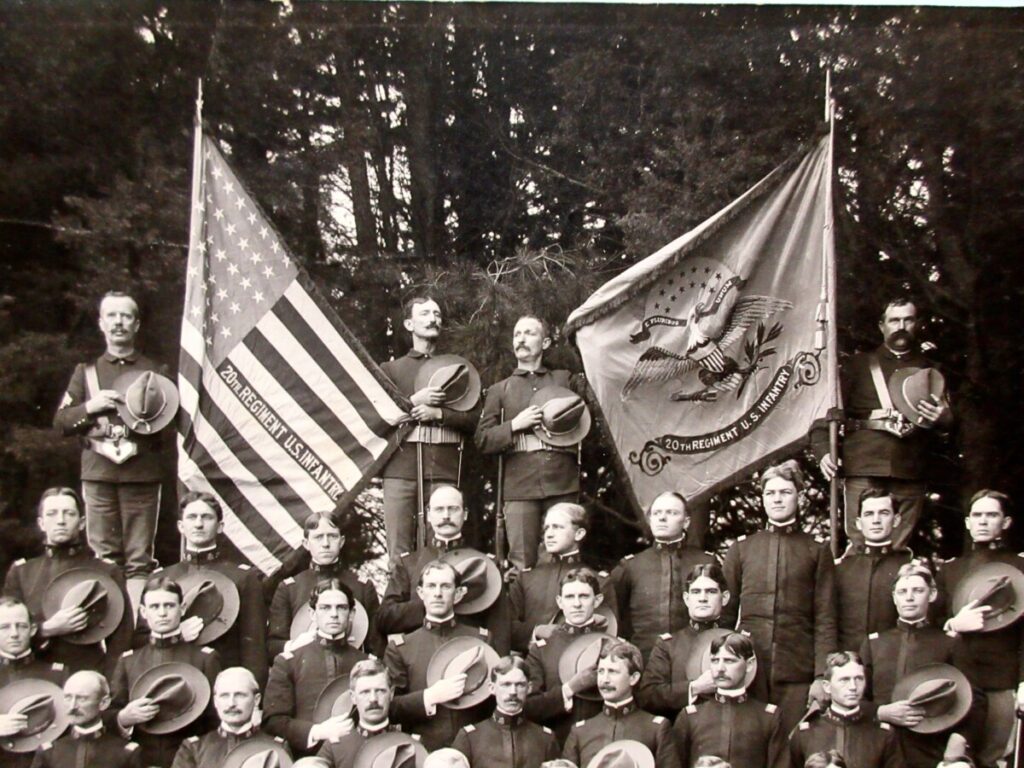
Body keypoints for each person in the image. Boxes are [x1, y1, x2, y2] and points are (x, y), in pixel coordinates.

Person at [812, 296, 953, 549]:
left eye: (907, 320)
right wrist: (823, 451)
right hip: (864, 465)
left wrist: (944, 419)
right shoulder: (856, 366)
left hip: (909, 471)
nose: (901, 326)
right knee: (859, 546)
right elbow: (825, 415)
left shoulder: (932, 370)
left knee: (897, 552)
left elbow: (951, 423)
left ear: (917, 324)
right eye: (894, 320)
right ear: (882, 325)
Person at [54, 291, 170, 579]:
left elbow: (170, 426)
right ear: (101, 323)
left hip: (142, 473)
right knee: (102, 557)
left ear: (137, 324)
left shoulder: (155, 371)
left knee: (140, 559)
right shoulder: (86, 373)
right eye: (112, 316)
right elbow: (61, 422)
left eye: (126, 316)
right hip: (98, 474)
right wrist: (90, 407)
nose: (119, 322)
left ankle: (137, 624)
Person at [722, 460, 838, 734]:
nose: (777, 499)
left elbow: (826, 617)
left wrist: (822, 676)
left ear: (798, 495)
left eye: (785, 492)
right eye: (770, 493)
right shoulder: (741, 550)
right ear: (762, 498)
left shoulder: (816, 551)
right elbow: (725, 617)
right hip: (749, 671)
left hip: (797, 672)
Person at [475, 315, 586, 570]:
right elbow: (483, 439)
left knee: (563, 557)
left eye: (529, 333)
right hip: (519, 486)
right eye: (517, 334)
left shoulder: (564, 380)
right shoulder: (499, 390)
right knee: (521, 564)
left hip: (561, 481)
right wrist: (515, 425)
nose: (521, 339)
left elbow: (592, 398)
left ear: (546, 342)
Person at [379, 296, 479, 560]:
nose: (433, 318)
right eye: (424, 314)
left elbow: (475, 420)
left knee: (442, 546)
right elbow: (376, 419)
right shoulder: (390, 369)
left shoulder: (458, 370)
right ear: (409, 324)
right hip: (400, 468)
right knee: (398, 552)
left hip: (443, 466)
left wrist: (439, 413)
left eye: (437, 313)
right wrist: (413, 401)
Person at [860, 562, 984, 768]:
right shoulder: (874, 643)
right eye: (902, 591)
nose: (909, 598)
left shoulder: (949, 642)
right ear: (894, 597)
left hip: (931, 748)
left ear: (932, 594)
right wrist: (880, 712)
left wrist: (957, 744)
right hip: (879, 748)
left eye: (918, 591)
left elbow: (976, 701)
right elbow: (857, 697)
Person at [137, 492, 267, 685]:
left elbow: (253, 647)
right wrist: (176, 634)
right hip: (173, 678)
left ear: (220, 526)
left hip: (225, 683)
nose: (198, 524)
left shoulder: (243, 577)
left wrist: (253, 696)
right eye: (191, 517)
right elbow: (139, 641)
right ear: (181, 526)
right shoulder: (160, 578)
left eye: (206, 517)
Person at [3, 486, 133, 677]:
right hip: (34, 678)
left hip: (87, 675)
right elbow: (7, 632)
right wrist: (47, 629)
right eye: (52, 514)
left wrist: (109, 688)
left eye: (69, 514)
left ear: (81, 523)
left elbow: (121, 641)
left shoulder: (105, 571)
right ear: (41, 523)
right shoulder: (22, 572)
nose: (61, 521)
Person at [937, 490, 1023, 767]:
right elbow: (931, 628)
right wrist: (954, 625)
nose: (983, 521)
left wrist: (1023, 681)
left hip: (1003, 681)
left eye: (992, 515)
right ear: (967, 522)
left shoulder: (1021, 568)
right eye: (977, 515)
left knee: (996, 759)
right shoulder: (950, 571)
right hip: (959, 684)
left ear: (1006, 522)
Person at [378, 485, 511, 654]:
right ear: (428, 515)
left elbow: (500, 628)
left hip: (470, 653)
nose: (446, 516)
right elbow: (385, 618)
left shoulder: (485, 565)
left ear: (465, 514)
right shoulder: (408, 563)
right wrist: (432, 602)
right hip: (419, 656)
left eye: (453, 509)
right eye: (439, 509)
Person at [384, 560, 496, 750]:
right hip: (425, 748)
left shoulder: (481, 639)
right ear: (420, 593)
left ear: (458, 594)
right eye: (431, 586)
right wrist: (429, 697)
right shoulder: (401, 647)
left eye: (445, 586)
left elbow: (493, 700)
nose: (437, 593)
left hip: (476, 748)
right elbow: (390, 707)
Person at [110, 576, 221, 768]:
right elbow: (110, 712)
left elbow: (214, 721)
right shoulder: (128, 661)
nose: (162, 613)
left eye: (169, 606)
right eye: (155, 607)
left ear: (183, 608)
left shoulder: (205, 659)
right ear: (144, 612)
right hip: (141, 759)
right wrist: (124, 718)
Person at [263, 579, 369, 757]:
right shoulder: (288, 662)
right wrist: (317, 732)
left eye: (341, 607)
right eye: (325, 608)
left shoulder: (365, 662)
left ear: (352, 613)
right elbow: (273, 720)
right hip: (305, 756)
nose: (334, 614)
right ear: (312, 614)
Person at [609, 491, 717, 659]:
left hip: (693, 657)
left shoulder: (706, 562)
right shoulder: (631, 566)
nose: (662, 518)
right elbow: (614, 614)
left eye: (671, 513)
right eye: (657, 513)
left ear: (686, 522)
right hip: (642, 658)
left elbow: (723, 613)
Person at [267, 510, 382, 658]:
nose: (326, 544)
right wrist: (294, 645)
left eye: (332, 536)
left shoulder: (362, 587)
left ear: (341, 541)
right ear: (306, 544)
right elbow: (272, 645)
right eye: (318, 537)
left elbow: (377, 645)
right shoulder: (290, 588)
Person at [508, 503, 613, 654]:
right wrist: (536, 632)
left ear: (579, 534)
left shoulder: (599, 581)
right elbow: (508, 627)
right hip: (530, 664)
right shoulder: (526, 578)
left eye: (557, 527)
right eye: (547, 528)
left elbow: (607, 631)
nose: (549, 534)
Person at [636, 563, 734, 718]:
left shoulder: (739, 642)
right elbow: (648, 696)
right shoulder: (668, 645)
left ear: (725, 598)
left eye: (711, 591)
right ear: (687, 599)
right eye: (696, 592)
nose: (702, 598)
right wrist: (695, 688)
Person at [672, 632, 784, 768]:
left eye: (729, 661)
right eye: (714, 660)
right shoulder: (690, 717)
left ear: (749, 664)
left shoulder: (768, 718)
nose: (720, 669)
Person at [561, 639, 679, 768]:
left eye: (613, 672)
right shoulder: (581, 732)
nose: (605, 680)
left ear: (633, 678)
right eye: (601, 671)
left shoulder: (656, 729)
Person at [523, 568, 609, 742]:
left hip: (603, 741)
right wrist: (569, 689)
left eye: (584, 596)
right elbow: (528, 706)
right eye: (570, 597)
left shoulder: (614, 644)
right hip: (559, 741)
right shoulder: (542, 649)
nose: (576, 604)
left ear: (597, 600)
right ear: (560, 602)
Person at [788, 651, 900, 768]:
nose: (853, 687)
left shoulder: (882, 735)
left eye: (859, 679)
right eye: (844, 680)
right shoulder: (806, 734)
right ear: (827, 686)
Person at [834, 489, 913, 653]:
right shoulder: (840, 569)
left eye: (883, 513)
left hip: (891, 659)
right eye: (869, 514)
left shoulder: (908, 568)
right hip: (849, 664)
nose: (876, 520)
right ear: (858, 522)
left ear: (896, 519)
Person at [452, 655, 559, 768]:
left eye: (520, 685)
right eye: (506, 684)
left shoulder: (545, 738)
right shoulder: (470, 738)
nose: (513, 692)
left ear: (529, 688)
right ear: (492, 688)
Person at [170, 667, 290, 768]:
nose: (231, 703)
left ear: (256, 700)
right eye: (224, 696)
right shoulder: (194, 748)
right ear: (215, 701)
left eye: (240, 695)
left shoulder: (276, 747)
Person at [0, 598, 69, 768]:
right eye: (4, 627)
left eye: (21, 626)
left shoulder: (57, 675)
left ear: (32, 630)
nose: (14, 633)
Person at [31, 671, 142, 768]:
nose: (72, 706)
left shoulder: (125, 752)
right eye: (68, 698)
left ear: (104, 703)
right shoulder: (49, 752)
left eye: (82, 698)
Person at [316, 659, 400, 766]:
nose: (373, 699)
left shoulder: (407, 744)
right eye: (365, 692)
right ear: (353, 697)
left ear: (391, 693)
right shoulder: (335, 747)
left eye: (380, 691)